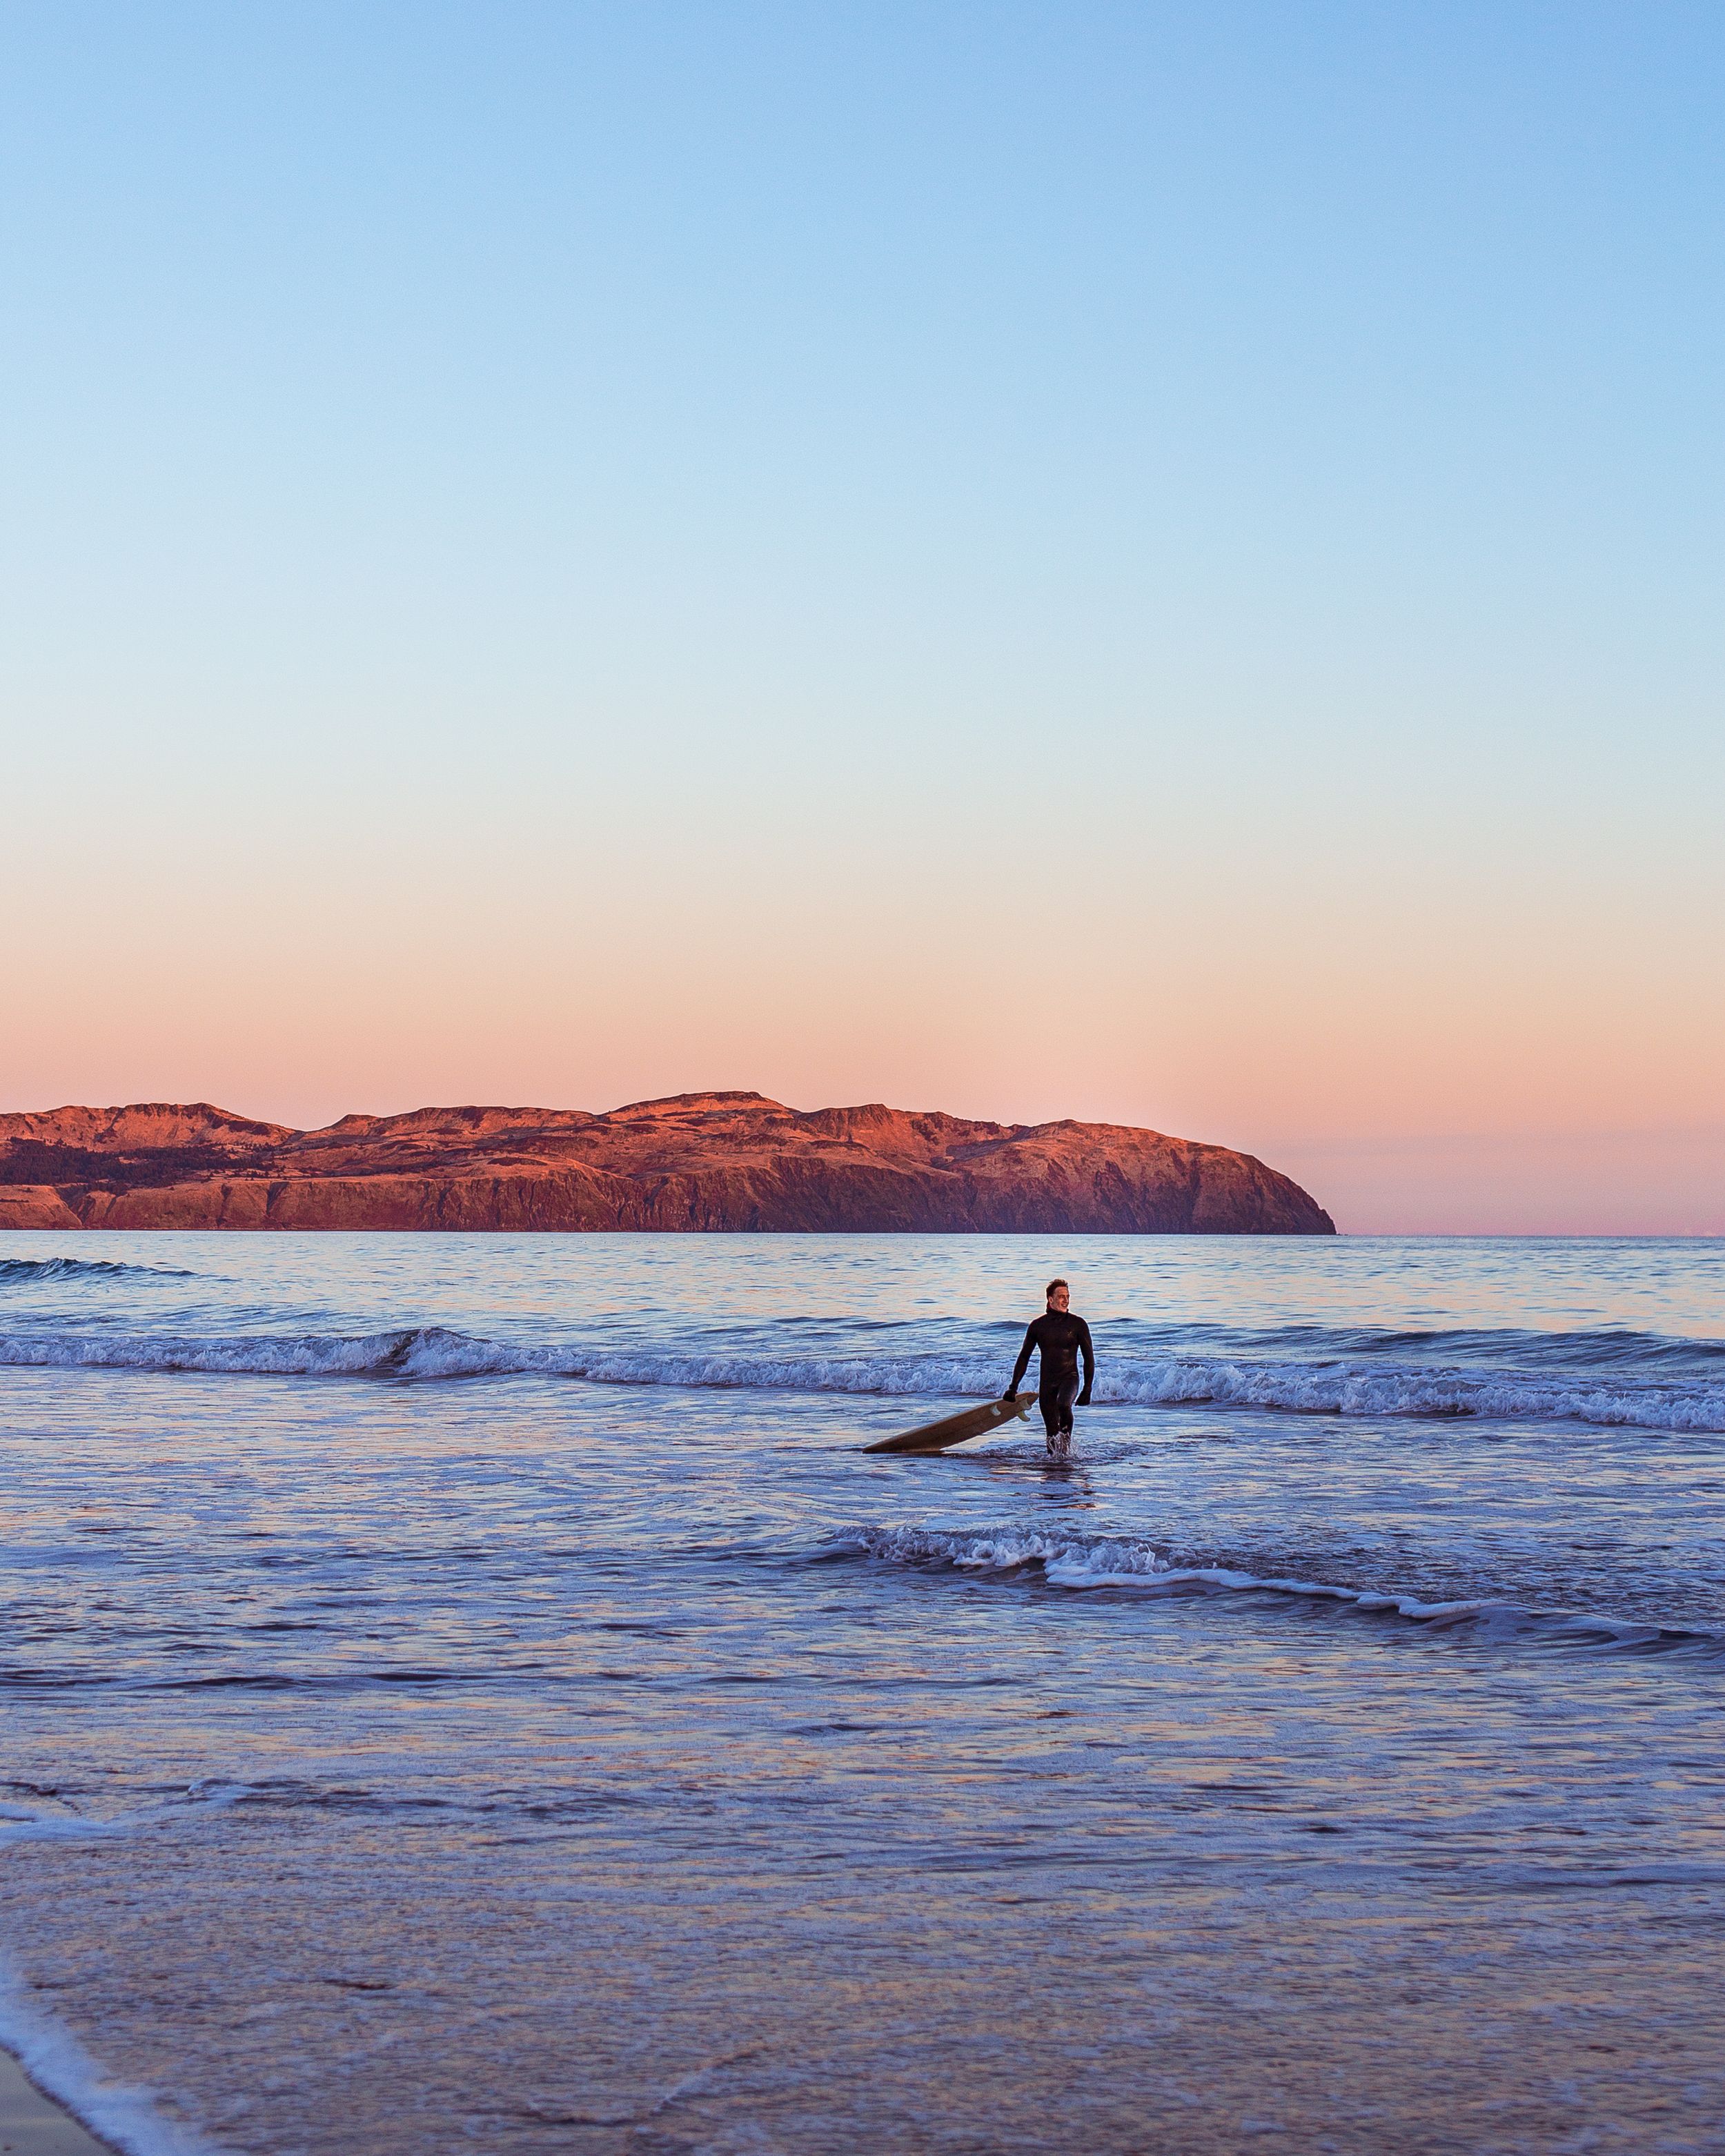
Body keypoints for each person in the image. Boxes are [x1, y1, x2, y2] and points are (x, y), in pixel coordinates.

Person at [1004, 1278, 1095, 1460]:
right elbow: (1024, 1357)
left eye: (1068, 1296)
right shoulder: (1038, 1326)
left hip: (1070, 1378)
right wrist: (1013, 1386)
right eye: (1061, 1296)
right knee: (1051, 1434)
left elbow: (1088, 1358)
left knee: (1063, 1405)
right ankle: (1054, 1470)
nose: (1066, 1300)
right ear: (1050, 1299)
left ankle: (1067, 1450)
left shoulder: (1078, 1324)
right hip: (1047, 1383)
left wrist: (1087, 1389)